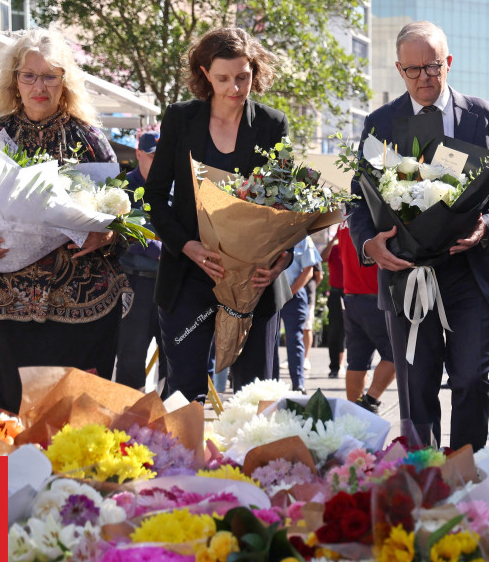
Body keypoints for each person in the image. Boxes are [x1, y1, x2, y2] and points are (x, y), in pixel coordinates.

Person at [0, 28, 128, 412]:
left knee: (70, 426)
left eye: (50, 76)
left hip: (77, 310)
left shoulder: (89, 139)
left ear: (64, 83)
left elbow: (125, 220)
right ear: (14, 81)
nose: (39, 85)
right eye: (29, 75)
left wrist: (105, 237)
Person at [348, 21, 489, 450]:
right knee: (417, 388)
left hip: (469, 270)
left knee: (470, 378)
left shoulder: (485, 117)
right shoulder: (380, 124)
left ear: (447, 63)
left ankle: (468, 473)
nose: (424, 77)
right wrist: (370, 245)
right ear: (398, 70)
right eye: (413, 70)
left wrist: (486, 227)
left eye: (432, 67)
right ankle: (423, 482)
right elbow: (358, 199)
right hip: (405, 274)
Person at [144, 27, 292, 402]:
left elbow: (287, 208)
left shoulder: (273, 125)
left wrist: (279, 261)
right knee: (183, 394)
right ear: (204, 72)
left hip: (254, 281)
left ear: (255, 72)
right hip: (189, 277)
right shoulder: (179, 119)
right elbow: (156, 197)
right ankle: (183, 462)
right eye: (223, 78)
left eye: (243, 77)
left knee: (254, 397)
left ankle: (251, 463)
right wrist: (188, 246)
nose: (235, 88)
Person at [113, 131, 163, 390]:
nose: (158, 160)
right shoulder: (123, 187)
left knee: (173, 360)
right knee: (131, 359)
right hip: (135, 285)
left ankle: (170, 420)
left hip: (168, 285)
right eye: (153, 156)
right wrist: (157, 246)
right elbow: (122, 232)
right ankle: (129, 421)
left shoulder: (174, 185)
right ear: (139, 154)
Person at [337, 222, 394, 412]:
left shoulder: (346, 220)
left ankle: (355, 413)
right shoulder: (374, 217)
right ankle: (369, 401)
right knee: (397, 354)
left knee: (357, 359)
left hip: (351, 294)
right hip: (375, 295)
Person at [281, 236, 321, 392]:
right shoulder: (269, 231)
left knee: (295, 340)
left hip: (294, 295)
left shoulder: (302, 238)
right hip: (269, 294)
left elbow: (309, 271)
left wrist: (289, 293)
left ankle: (298, 385)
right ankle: (270, 382)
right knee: (269, 341)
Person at [322, 234, 345, 378]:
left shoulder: (355, 248)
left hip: (352, 293)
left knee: (347, 333)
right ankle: (335, 366)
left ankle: (343, 365)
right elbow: (322, 258)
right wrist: (333, 239)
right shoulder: (335, 249)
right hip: (336, 294)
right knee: (335, 332)